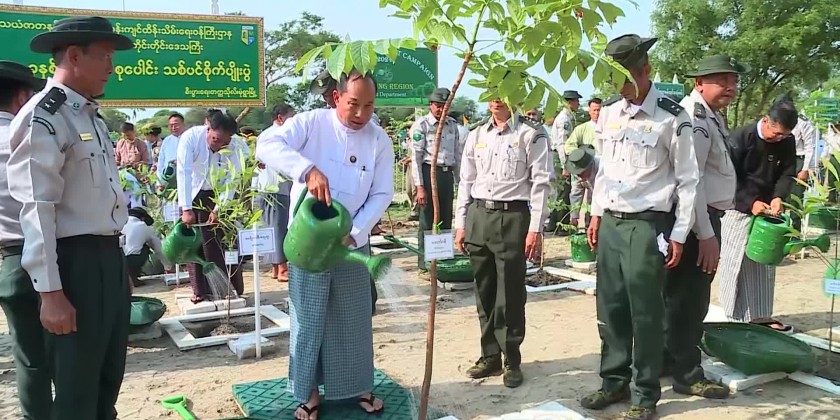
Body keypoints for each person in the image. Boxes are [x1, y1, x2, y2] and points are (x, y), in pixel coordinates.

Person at [7, 16, 134, 419]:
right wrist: (50, 293)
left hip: (105, 260)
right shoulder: (44, 116)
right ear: (75, 56)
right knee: (76, 391)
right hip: (73, 265)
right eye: (106, 57)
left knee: (106, 382)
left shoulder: (90, 117)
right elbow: (37, 209)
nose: (112, 67)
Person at [256, 70, 394, 420]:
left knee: (353, 318)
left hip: (350, 242)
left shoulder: (379, 140)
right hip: (309, 242)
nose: (362, 114)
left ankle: (358, 387)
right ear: (336, 98)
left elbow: (382, 192)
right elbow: (266, 144)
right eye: (354, 105)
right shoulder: (311, 123)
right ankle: (309, 393)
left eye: (369, 105)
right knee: (308, 319)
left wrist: (357, 232)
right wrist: (306, 170)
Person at [580, 34, 699, 420]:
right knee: (610, 308)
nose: (621, 88)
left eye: (626, 78)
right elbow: (604, 172)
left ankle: (644, 394)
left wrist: (679, 234)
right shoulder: (610, 114)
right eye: (614, 80)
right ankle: (612, 382)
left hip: (648, 226)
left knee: (645, 314)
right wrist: (596, 213)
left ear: (646, 71)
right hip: (612, 225)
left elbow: (688, 181)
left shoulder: (673, 116)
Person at [664, 55, 747, 400]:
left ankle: (669, 362)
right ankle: (687, 374)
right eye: (720, 80)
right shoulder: (695, 119)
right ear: (699, 82)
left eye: (733, 80)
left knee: (679, 299)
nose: (730, 86)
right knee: (690, 300)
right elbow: (692, 181)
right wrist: (706, 234)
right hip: (698, 223)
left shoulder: (708, 116)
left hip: (700, 220)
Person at [454, 99, 551, 388]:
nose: (496, 99)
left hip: (512, 217)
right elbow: (465, 181)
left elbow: (542, 183)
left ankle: (511, 359)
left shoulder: (531, 134)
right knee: (484, 291)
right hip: (479, 215)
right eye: (491, 91)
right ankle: (490, 356)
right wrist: (461, 223)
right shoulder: (476, 134)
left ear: (516, 96)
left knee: (509, 292)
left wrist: (536, 229)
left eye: (502, 90)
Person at [717, 99, 799, 332]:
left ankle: (762, 317)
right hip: (737, 205)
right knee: (735, 264)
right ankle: (734, 319)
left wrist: (779, 197)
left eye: (784, 135)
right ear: (765, 121)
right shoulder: (740, 137)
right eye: (776, 134)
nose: (779, 139)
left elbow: (787, 171)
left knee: (763, 264)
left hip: (766, 210)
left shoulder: (786, 140)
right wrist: (749, 202)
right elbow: (728, 177)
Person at [0, 60, 51, 420]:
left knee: (29, 358)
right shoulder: (29, 137)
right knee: (69, 353)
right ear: (21, 97)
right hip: (51, 259)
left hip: (9, 264)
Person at [177, 111, 247, 302]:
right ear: (208, 129)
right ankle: (199, 290)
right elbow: (183, 172)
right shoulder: (190, 138)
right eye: (215, 139)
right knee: (194, 246)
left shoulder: (237, 146)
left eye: (224, 142)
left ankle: (227, 289)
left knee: (219, 245)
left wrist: (218, 209)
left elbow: (233, 181)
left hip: (220, 196)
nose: (218, 145)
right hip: (193, 194)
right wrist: (186, 208)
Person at [410, 87, 463, 271]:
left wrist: (460, 181)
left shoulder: (452, 125)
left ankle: (442, 258)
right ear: (431, 106)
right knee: (428, 218)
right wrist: (420, 187)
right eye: (438, 106)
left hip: (446, 174)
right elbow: (416, 159)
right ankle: (425, 263)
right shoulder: (422, 125)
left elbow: (456, 154)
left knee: (446, 216)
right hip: (428, 173)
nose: (441, 110)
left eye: (445, 106)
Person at [256, 103, 295, 281]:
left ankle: (275, 267)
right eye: (291, 116)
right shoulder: (278, 135)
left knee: (272, 227)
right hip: (276, 187)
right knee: (279, 227)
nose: (294, 120)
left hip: (267, 187)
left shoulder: (265, 134)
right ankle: (282, 268)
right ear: (280, 118)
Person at [547, 90, 583, 234]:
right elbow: (562, 144)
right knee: (564, 191)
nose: (578, 104)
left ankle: (553, 224)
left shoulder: (568, 117)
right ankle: (561, 225)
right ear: (570, 102)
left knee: (560, 192)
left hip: (561, 156)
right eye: (576, 101)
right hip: (561, 156)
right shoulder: (564, 120)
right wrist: (565, 165)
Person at [564, 98, 602, 227]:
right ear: (589, 111)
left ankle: (589, 223)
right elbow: (568, 145)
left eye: (599, 110)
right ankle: (573, 221)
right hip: (583, 165)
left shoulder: (608, 127)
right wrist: (580, 156)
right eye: (594, 110)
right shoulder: (582, 128)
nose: (597, 113)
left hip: (600, 168)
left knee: (594, 197)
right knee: (575, 193)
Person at [122, 207, 172, 289]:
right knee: (145, 248)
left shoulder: (120, 223)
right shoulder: (143, 226)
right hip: (131, 261)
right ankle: (133, 277)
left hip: (116, 258)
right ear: (142, 218)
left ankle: (127, 278)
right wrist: (168, 267)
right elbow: (158, 249)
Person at [789, 107, 817, 231]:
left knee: (796, 199)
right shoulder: (775, 119)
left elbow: (809, 147)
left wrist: (805, 169)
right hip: (783, 160)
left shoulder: (802, 122)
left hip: (799, 161)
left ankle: (795, 233)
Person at [156, 112, 186, 190]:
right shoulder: (167, 140)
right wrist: (160, 182)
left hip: (185, 179)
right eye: (171, 125)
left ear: (183, 125)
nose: (173, 127)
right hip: (168, 179)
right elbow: (161, 162)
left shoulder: (189, 138)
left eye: (176, 124)